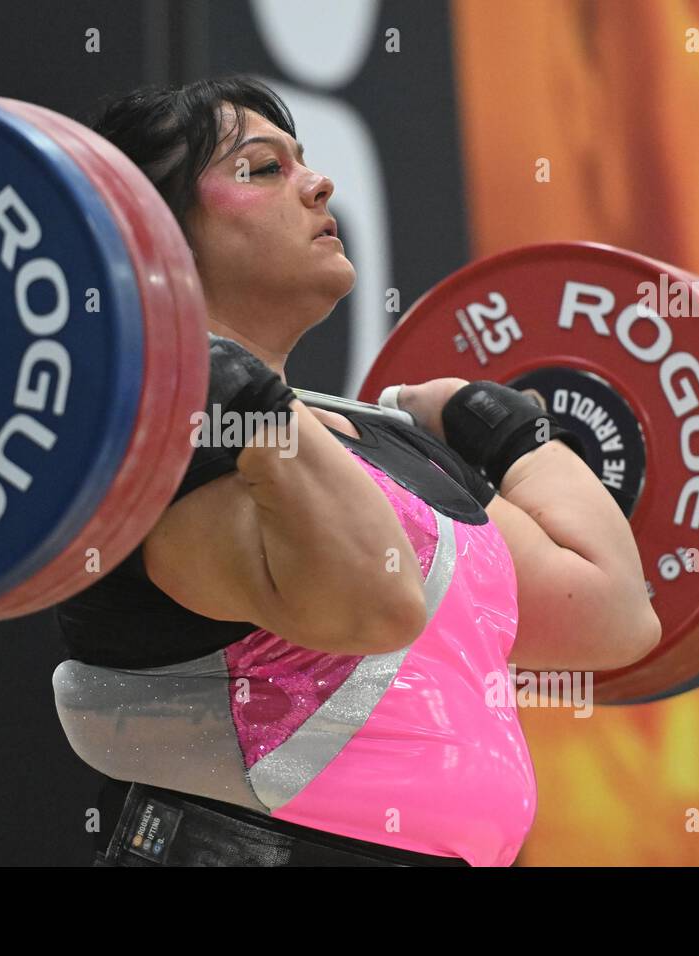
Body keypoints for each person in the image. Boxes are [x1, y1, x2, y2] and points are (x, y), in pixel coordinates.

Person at [52, 75, 660, 866]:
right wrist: (244, 395)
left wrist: (515, 439)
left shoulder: (383, 445)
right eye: (262, 168)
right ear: (153, 237)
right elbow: (372, 605)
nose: (318, 182)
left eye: (302, 160)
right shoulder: (168, 444)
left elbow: (613, 615)